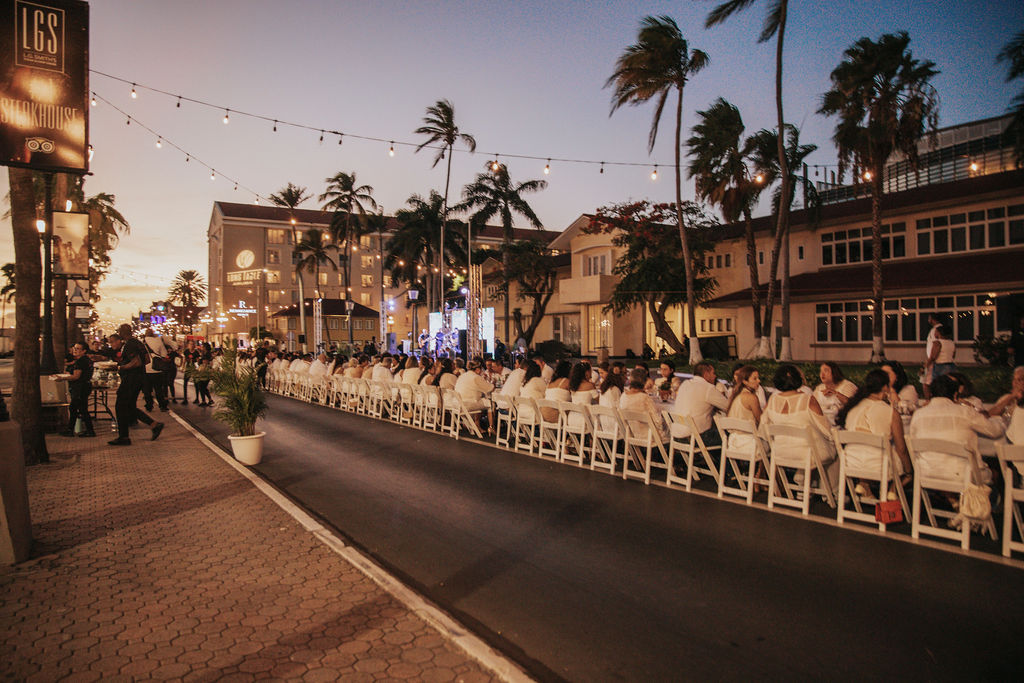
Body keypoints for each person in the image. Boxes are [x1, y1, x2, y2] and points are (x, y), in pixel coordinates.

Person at [909, 374, 1004, 485]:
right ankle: (995, 501)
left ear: (930, 394)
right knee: (996, 471)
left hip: (927, 473)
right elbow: (995, 431)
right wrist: (999, 420)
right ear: (955, 394)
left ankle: (952, 500)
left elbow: (913, 441)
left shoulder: (918, 415)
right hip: (963, 474)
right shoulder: (965, 412)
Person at [835, 368, 913, 496]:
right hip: (880, 465)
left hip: (851, 463)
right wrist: (909, 471)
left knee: (866, 450)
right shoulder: (890, 412)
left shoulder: (852, 408)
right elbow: (901, 448)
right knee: (905, 464)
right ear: (885, 387)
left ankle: (864, 484)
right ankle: (893, 490)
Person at [763, 364, 836, 481]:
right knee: (835, 449)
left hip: (780, 452)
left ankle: (803, 480)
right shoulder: (807, 399)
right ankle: (832, 493)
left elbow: (764, 427)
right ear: (798, 379)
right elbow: (825, 429)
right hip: (807, 454)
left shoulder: (772, 400)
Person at [108, 326, 163, 446]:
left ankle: (124, 437)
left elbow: (137, 362)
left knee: (121, 405)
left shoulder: (130, 345)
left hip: (131, 379)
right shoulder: (138, 343)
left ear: (122, 333)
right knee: (129, 406)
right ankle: (154, 425)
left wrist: (120, 367)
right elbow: (147, 360)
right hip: (139, 379)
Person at [673, 361, 729, 447]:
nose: (715, 376)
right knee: (729, 436)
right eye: (713, 373)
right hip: (695, 438)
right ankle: (718, 460)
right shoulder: (708, 388)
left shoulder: (685, 384)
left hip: (676, 436)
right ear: (706, 374)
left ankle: (711, 459)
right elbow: (728, 407)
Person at [619, 367, 668, 442]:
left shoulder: (623, 396)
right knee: (669, 432)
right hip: (648, 437)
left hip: (631, 435)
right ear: (644, 381)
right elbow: (658, 421)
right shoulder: (644, 398)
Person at [61, 342, 95, 438]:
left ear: (84, 351)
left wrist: (63, 378)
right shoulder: (85, 360)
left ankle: (83, 430)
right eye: (75, 348)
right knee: (79, 408)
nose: (75, 350)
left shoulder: (81, 361)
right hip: (83, 387)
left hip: (80, 388)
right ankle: (75, 429)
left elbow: (76, 376)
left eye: (78, 349)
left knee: (77, 408)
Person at [813, 361, 858, 426]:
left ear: (834, 372)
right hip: (822, 423)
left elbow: (853, 405)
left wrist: (835, 393)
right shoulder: (819, 388)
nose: (822, 374)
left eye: (826, 371)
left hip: (843, 423)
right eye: (821, 371)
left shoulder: (847, 386)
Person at [988, 366, 1024, 444]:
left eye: (1020, 380)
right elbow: (989, 415)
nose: (1016, 383)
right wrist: (1011, 397)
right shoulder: (1006, 398)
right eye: (1014, 380)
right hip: (1002, 437)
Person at [880, 360, 918, 428]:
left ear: (896, 376)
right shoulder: (879, 391)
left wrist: (891, 390)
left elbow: (901, 412)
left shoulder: (909, 390)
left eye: (886, 374)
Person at [142, 329, 171, 412]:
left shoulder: (142, 342)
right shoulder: (158, 342)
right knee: (158, 389)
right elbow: (164, 354)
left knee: (147, 390)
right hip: (157, 369)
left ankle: (149, 405)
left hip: (146, 369)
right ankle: (162, 406)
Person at [922, 313, 942, 399]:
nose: (928, 320)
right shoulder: (937, 329)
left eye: (929, 318)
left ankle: (928, 400)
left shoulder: (936, 330)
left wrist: (930, 360)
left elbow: (936, 345)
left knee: (926, 382)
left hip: (933, 361)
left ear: (932, 319)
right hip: (934, 360)